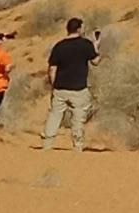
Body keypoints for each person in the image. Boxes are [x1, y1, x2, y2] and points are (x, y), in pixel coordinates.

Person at [42, 17, 99, 151]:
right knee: (78, 118)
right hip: (79, 89)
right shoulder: (86, 44)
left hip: (60, 88)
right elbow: (96, 61)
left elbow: (52, 68)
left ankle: (47, 145)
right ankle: (77, 147)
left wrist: (53, 86)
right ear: (79, 29)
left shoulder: (59, 46)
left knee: (54, 116)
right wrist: (96, 46)